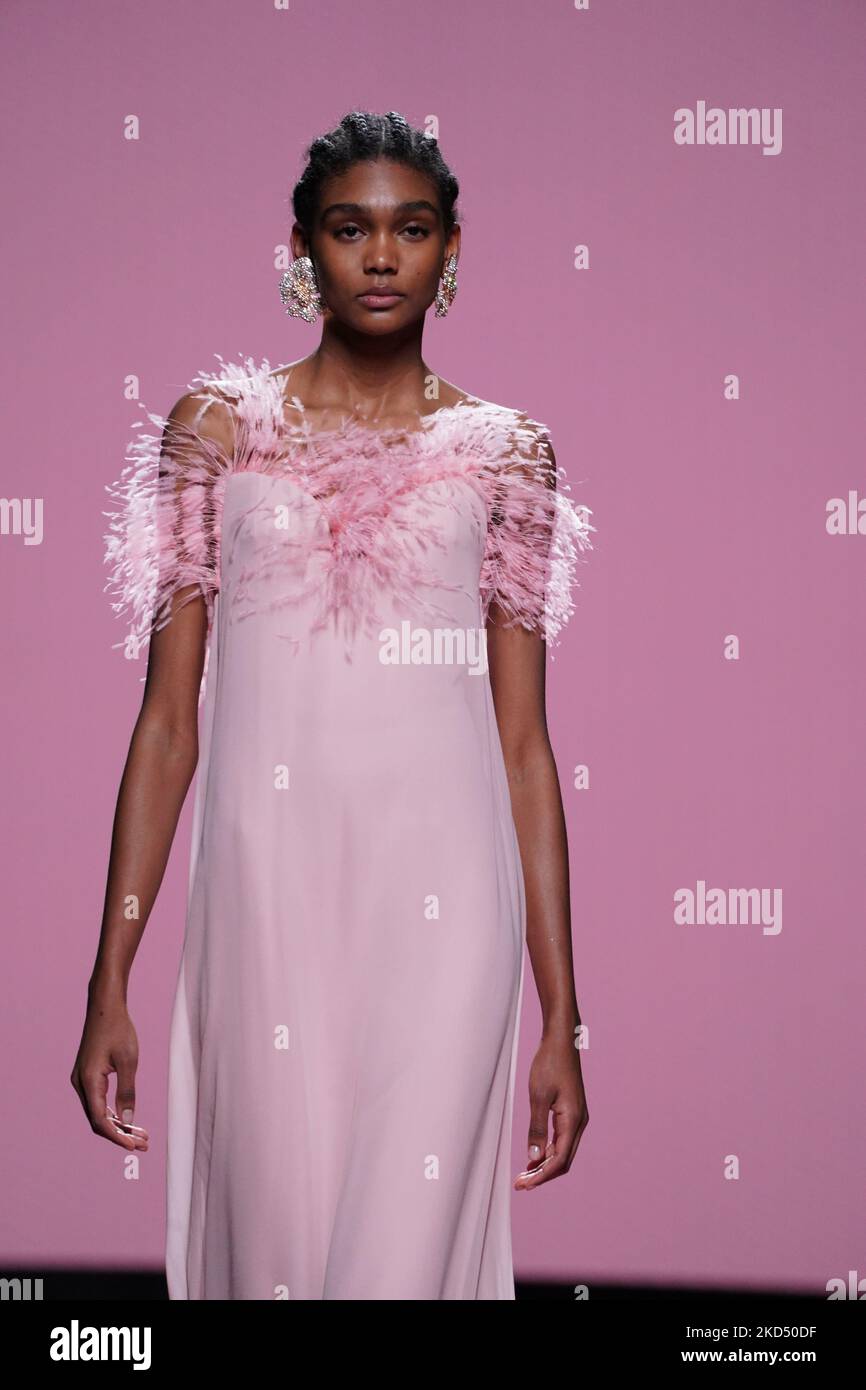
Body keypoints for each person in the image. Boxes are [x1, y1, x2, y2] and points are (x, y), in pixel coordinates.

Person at [72, 110, 594, 1300]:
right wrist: (111, 976)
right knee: (278, 1264)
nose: (377, 256)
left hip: (450, 902)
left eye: (408, 230)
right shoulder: (217, 430)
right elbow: (166, 722)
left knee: (394, 1271)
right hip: (268, 894)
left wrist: (560, 1013)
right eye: (348, 228)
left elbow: (522, 744)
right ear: (300, 246)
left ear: (448, 250)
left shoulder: (506, 453)